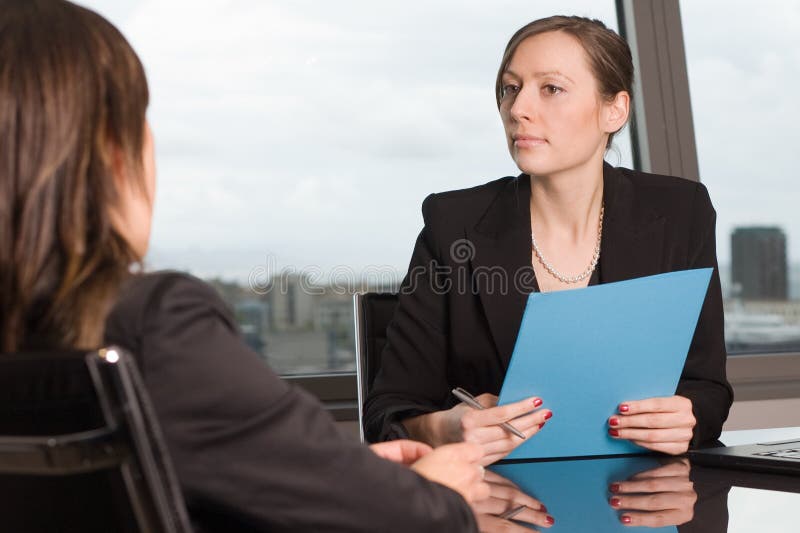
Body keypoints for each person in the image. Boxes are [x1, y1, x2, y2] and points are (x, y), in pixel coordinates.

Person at [0, 1, 491, 531]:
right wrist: (437, 493)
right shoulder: (156, 324)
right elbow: (412, 519)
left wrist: (346, 477)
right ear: (114, 154)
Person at [364, 15, 733, 461]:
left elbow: (707, 388)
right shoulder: (452, 224)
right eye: (510, 88)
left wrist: (686, 418)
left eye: (551, 89)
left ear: (614, 110)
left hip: (646, 503)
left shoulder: (681, 212)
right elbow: (388, 412)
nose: (518, 109)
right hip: (499, 509)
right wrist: (448, 427)